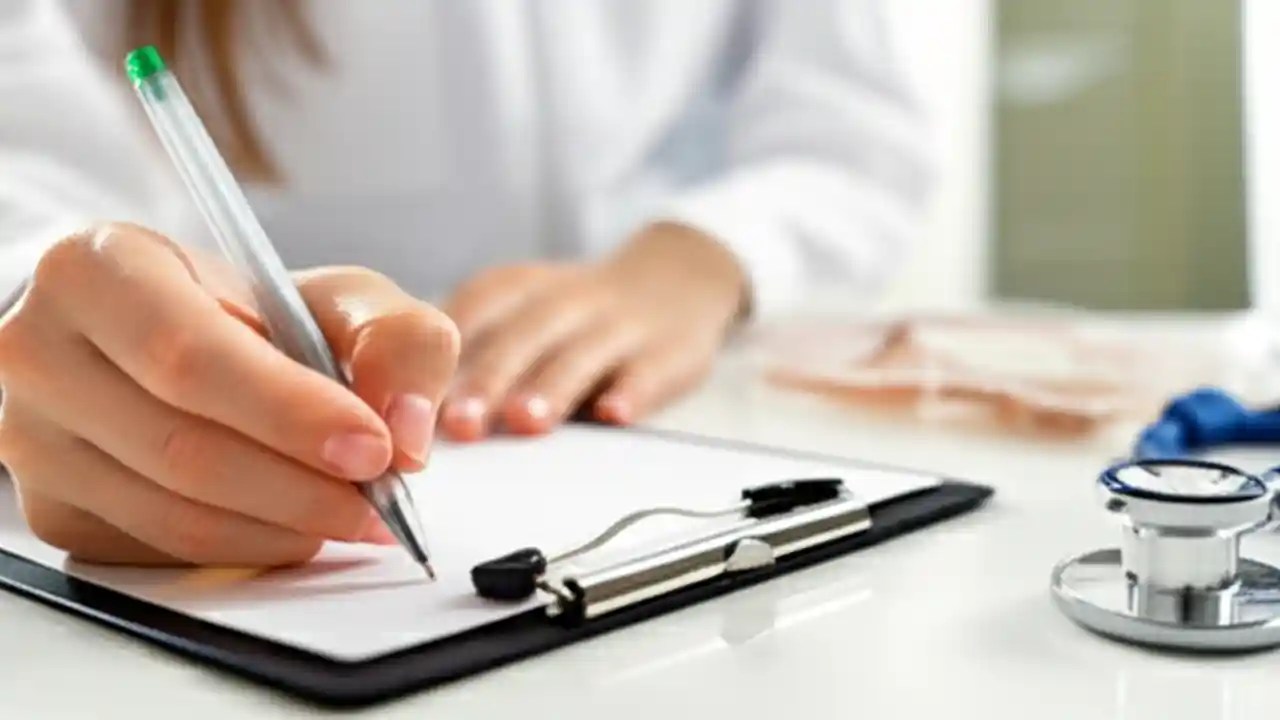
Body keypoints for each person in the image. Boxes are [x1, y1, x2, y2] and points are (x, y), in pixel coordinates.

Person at [0, 0, 930, 565]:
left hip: (690, 401)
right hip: (226, 428)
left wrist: (706, 255)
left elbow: (853, 136)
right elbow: (25, 176)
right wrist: (56, 326)